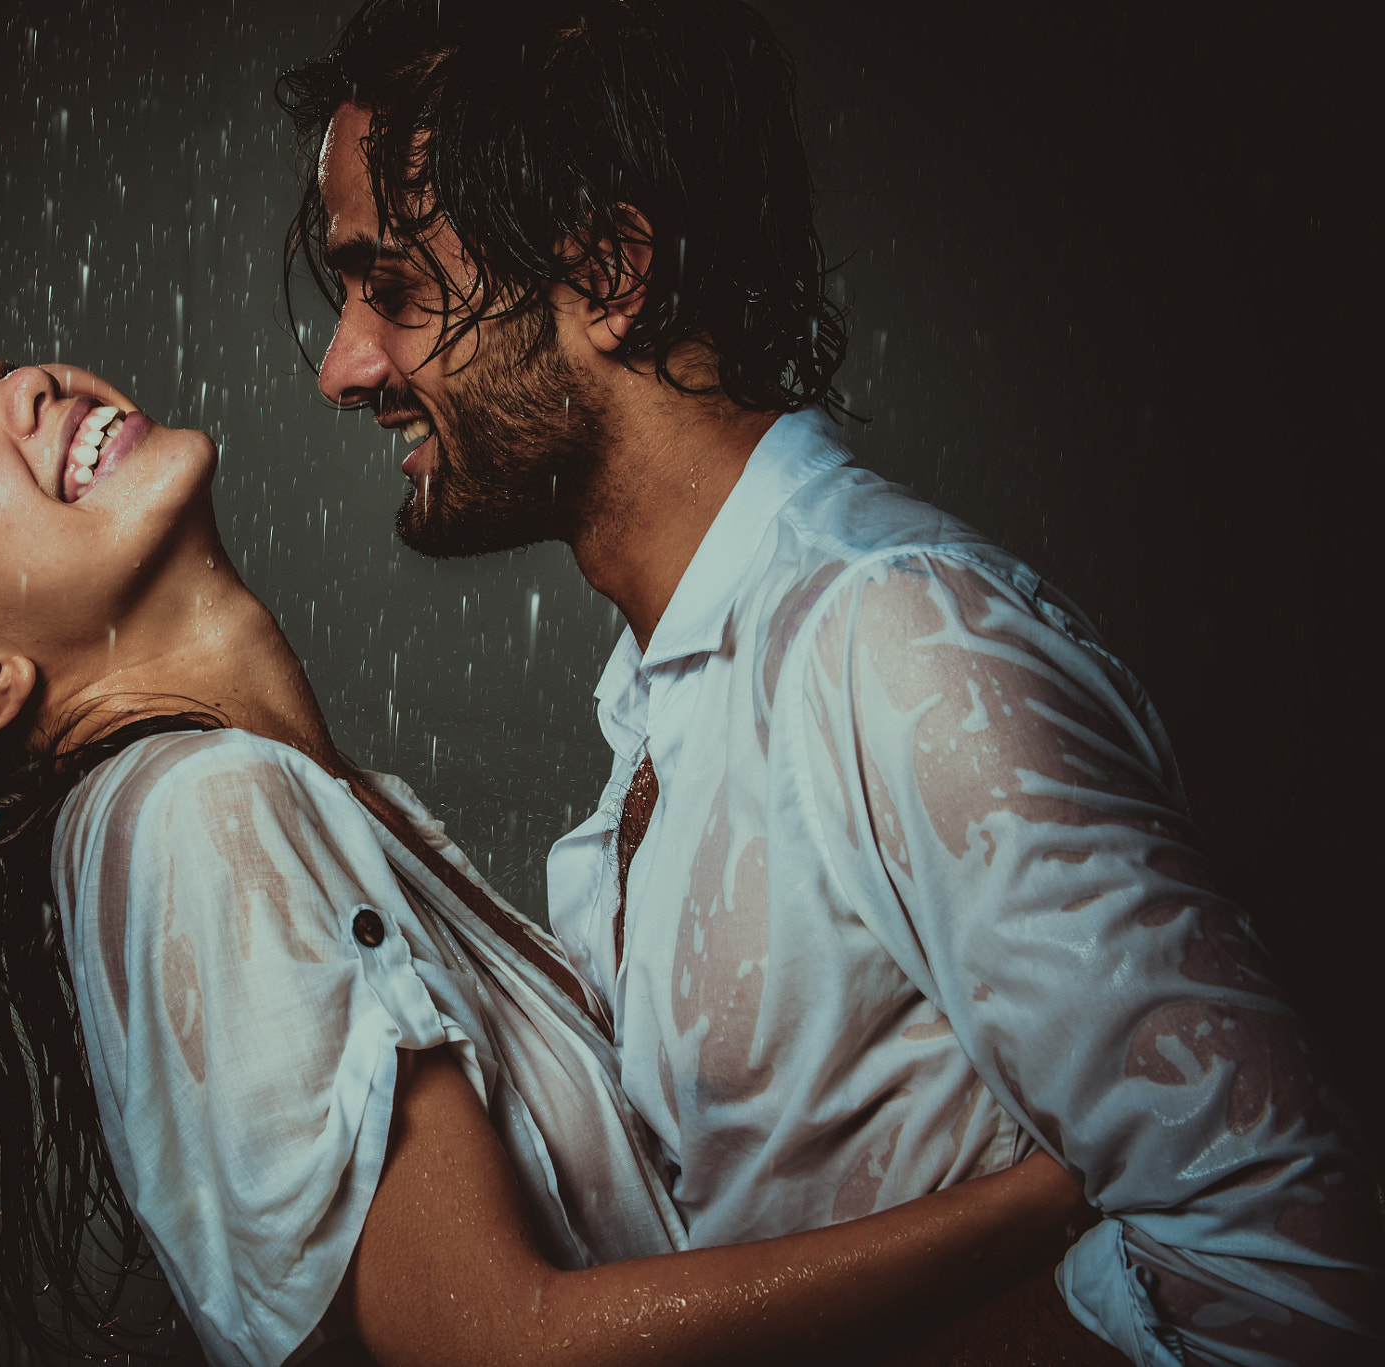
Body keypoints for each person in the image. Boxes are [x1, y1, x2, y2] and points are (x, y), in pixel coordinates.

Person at [284, 1, 1381, 1364]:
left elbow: (1304, 1275)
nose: (343, 367)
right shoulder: (671, 693)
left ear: (611, 275)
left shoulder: (899, 646)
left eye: (391, 286)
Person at [0, 352, 1096, 1367]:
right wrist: (1045, 1205)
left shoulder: (280, 808)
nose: (15, 394)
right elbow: (495, 1345)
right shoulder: (196, 816)